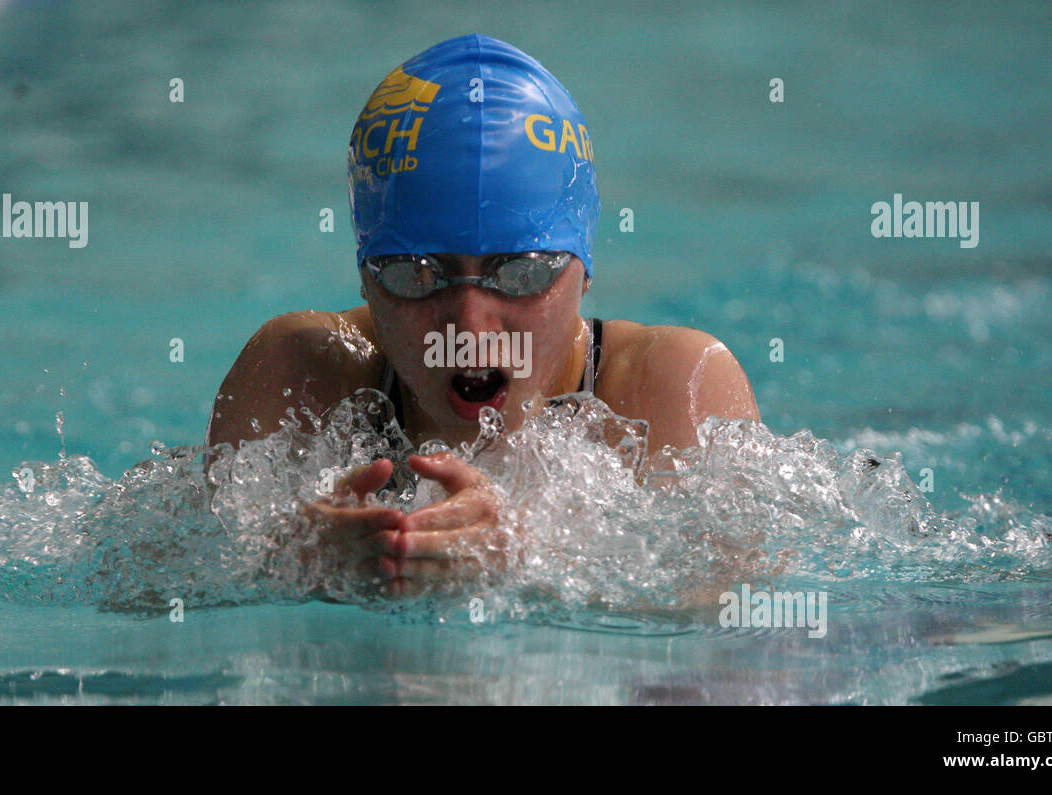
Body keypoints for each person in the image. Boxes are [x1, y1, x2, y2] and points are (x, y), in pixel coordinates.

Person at [207, 34, 758, 597]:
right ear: (366, 278)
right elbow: (153, 591)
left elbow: (731, 634)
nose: (469, 329)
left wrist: (532, 560)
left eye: (522, 273)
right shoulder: (303, 373)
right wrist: (296, 566)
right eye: (416, 273)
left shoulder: (668, 383)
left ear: (585, 269)